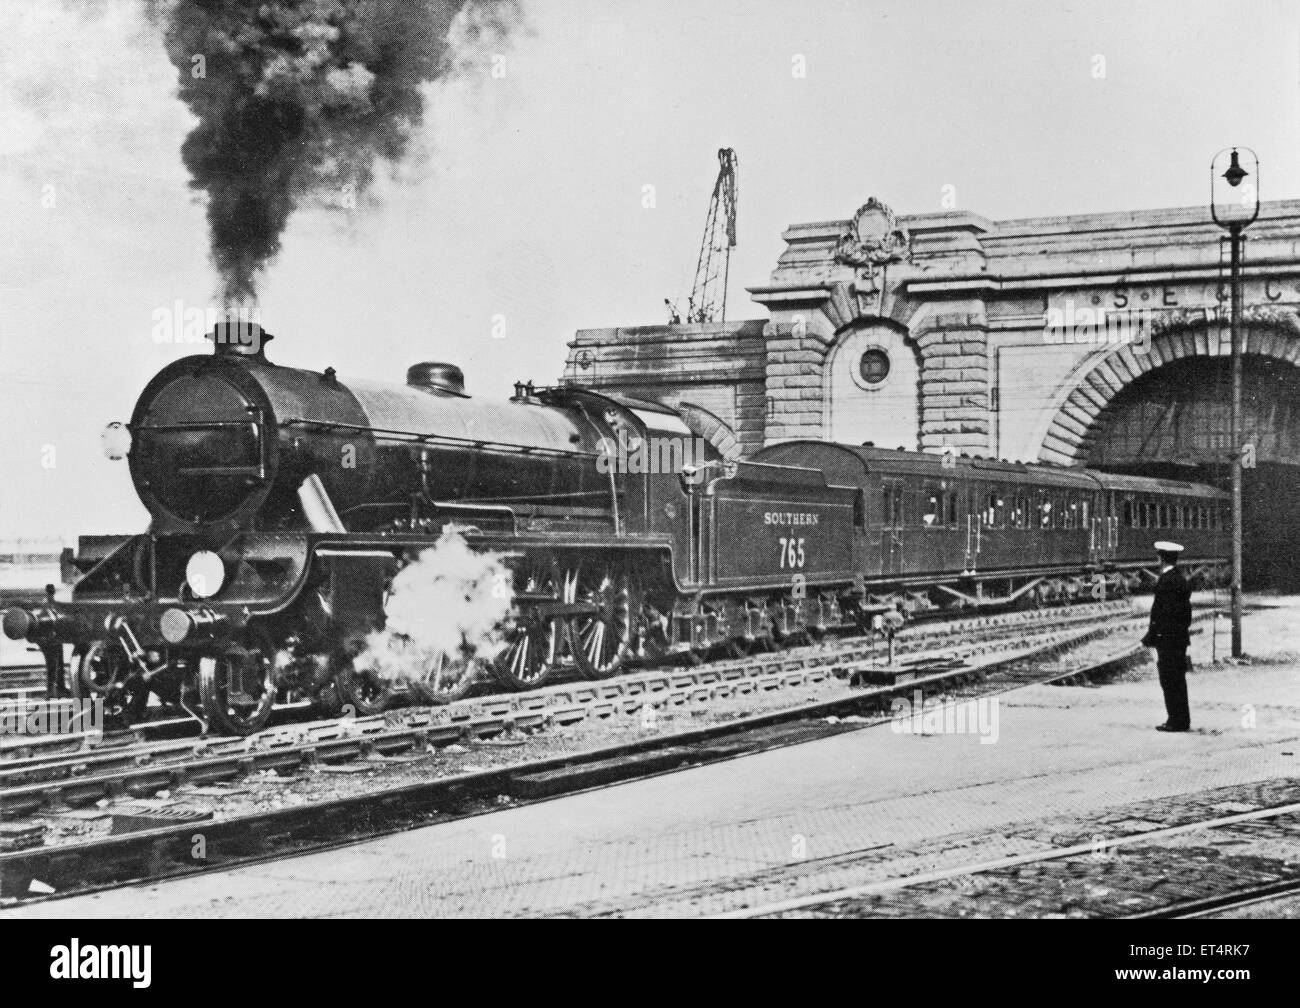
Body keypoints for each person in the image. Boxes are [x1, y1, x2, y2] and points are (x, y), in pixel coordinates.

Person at [1141, 541, 1193, 732]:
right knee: (1178, 680)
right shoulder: (1180, 579)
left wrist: (1153, 635)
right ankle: (1182, 719)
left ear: (1160, 558)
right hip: (1178, 639)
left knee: (1169, 681)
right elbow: (1185, 614)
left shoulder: (1166, 581)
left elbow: (1162, 614)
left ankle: (1175, 721)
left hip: (1167, 640)